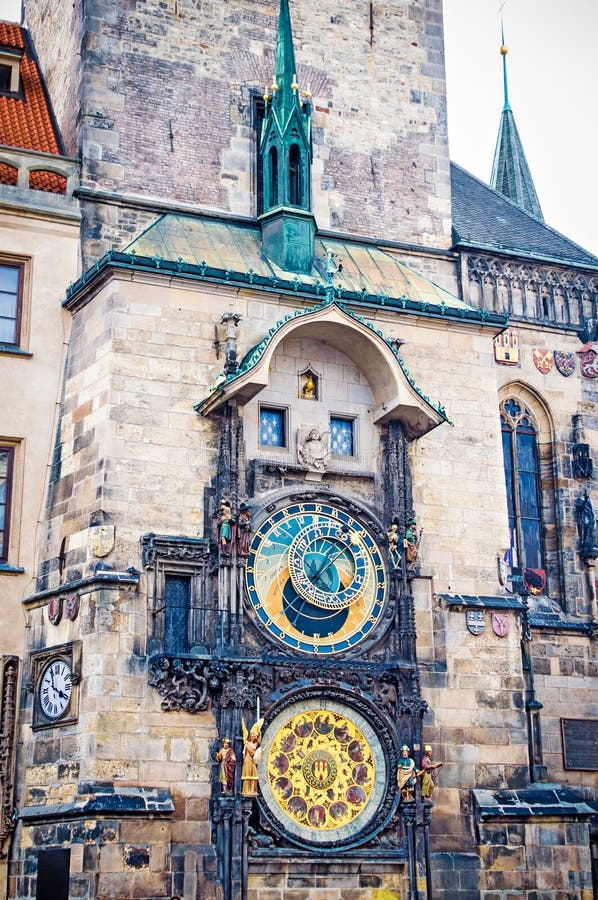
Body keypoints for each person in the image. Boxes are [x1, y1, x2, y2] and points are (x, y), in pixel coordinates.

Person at [241, 719, 263, 797]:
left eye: (255, 736)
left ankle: (253, 790)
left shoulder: (255, 743)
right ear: (250, 736)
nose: (254, 737)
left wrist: (260, 733)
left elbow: (259, 742)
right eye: (253, 736)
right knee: (247, 774)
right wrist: (257, 753)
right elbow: (251, 752)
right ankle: (246, 790)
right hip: (247, 760)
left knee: (254, 774)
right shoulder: (247, 743)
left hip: (252, 761)